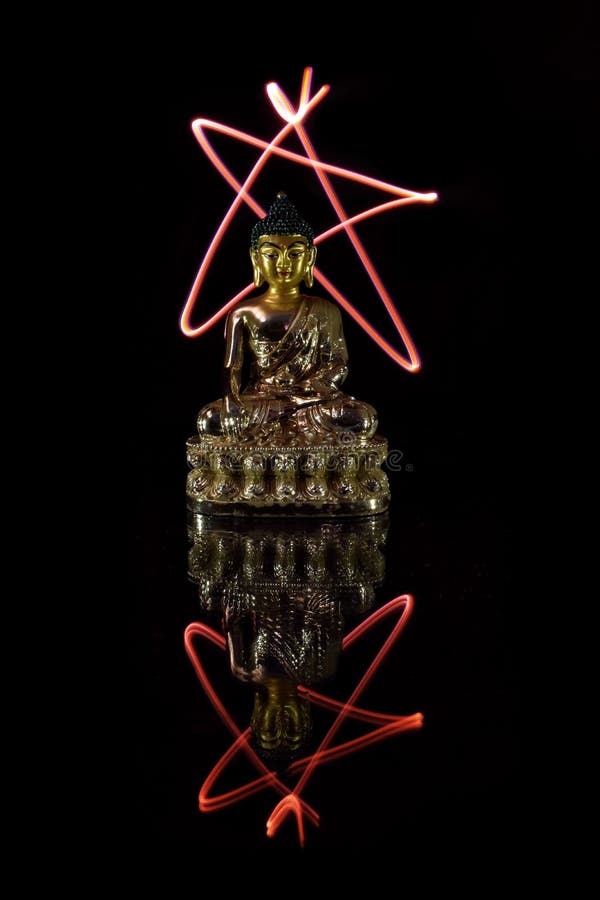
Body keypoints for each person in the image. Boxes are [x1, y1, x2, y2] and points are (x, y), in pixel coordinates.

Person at [197, 193, 377, 442]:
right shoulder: (242, 312)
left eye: (294, 254)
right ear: (255, 258)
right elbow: (232, 367)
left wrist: (310, 389)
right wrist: (230, 401)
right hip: (262, 401)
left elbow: (338, 363)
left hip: (310, 401)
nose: (284, 263)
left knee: (362, 418)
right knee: (210, 419)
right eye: (272, 254)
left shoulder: (325, 309)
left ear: (310, 257)